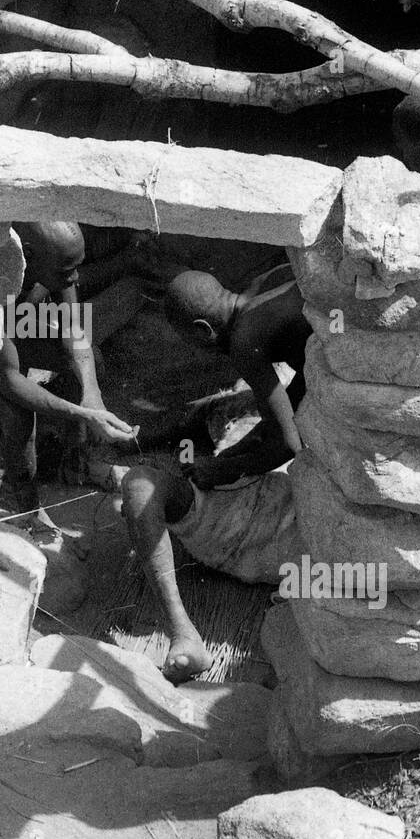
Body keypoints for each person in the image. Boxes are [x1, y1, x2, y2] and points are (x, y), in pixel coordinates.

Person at [121, 264, 309, 682]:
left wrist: (224, 468)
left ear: (205, 331)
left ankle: (182, 632)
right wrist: (233, 458)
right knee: (224, 413)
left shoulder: (244, 341)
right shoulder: (268, 282)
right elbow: (304, 385)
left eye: (193, 344)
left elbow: (288, 444)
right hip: (294, 496)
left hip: (271, 501)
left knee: (141, 482)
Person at [0, 221, 140, 529]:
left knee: (87, 360)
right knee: (19, 416)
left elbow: (73, 330)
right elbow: (11, 378)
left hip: (19, 333)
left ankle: (76, 462)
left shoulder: (50, 262)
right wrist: (80, 411)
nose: (75, 277)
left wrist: (92, 397)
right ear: (27, 254)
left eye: (76, 267)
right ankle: (28, 510)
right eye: (66, 271)